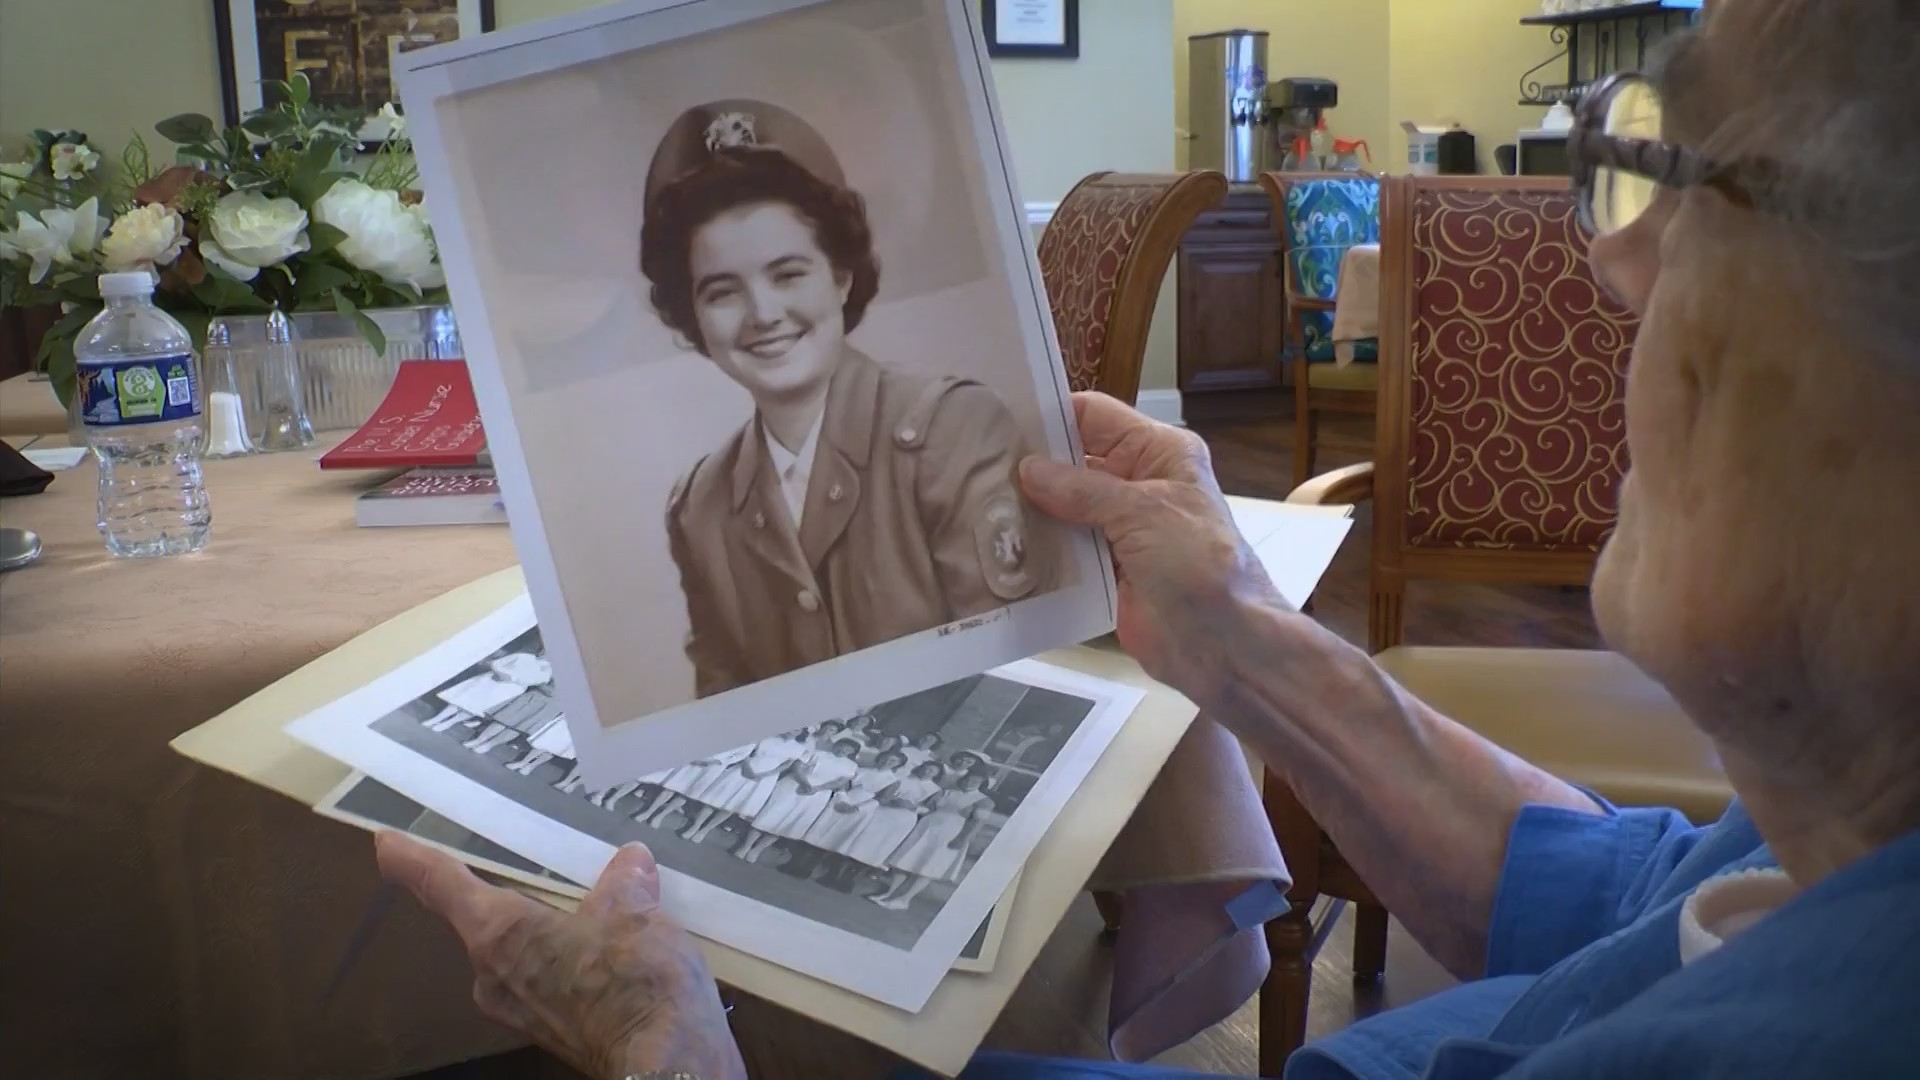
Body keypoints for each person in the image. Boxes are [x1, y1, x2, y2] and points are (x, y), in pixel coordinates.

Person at [373, 7, 1920, 1078]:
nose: (1620, 264)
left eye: (1686, 175)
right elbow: (1616, 898)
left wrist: (663, 1055)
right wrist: (1246, 637)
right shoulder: (1842, 852)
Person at [644, 99, 1059, 701]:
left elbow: (1012, 683)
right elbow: (724, 708)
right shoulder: (699, 507)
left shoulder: (955, 431)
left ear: (841, 277)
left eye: (788, 274)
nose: (763, 315)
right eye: (721, 291)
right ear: (693, 316)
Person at [872, 771, 996, 912]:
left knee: (929, 867)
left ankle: (904, 900)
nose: (969, 783)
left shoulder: (984, 801)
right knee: (905, 861)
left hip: (951, 834)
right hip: (927, 828)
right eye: (967, 779)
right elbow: (928, 807)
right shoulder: (946, 792)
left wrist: (961, 839)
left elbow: (975, 824)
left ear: (982, 785)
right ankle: (888, 893)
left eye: (974, 781)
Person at [736, 737, 862, 867]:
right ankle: (745, 846)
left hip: (817, 795)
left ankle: (757, 850)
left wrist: (817, 788)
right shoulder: (817, 753)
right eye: (841, 746)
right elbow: (797, 767)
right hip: (793, 787)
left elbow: (840, 782)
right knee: (770, 816)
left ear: (851, 753)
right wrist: (805, 783)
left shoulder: (851, 766)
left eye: (847, 750)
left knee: (787, 823)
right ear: (836, 744)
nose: (842, 751)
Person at [804, 748, 912, 893]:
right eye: (886, 758)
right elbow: (843, 784)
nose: (887, 762)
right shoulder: (861, 770)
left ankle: (831, 875)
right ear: (880, 757)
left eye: (893, 761)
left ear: (897, 765)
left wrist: (858, 809)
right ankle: (805, 868)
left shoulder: (892, 780)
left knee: (843, 840)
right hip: (844, 800)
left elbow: (882, 798)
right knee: (824, 832)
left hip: (863, 808)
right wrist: (842, 799)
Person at [681, 729, 811, 845]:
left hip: (764, 777)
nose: (793, 730)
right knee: (717, 800)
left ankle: (705, 830)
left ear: (802, 732)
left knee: (732, 807)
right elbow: (747, 753)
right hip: (744, 770)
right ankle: (695, 826)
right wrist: (748, 768)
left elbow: (786, 766)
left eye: (798, 729)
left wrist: (766, 774)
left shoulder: (798, 748)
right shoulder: (767, 737)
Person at [419, 651, 551, 734]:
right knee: (462, 699)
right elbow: (496, 663)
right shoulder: (523, 656)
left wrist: (513, 678)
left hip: (509, 690)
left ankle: (448, 723)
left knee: (476, 708)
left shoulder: (547, 673)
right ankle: (437, 719)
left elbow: (534, 681)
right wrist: (500, 672)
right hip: (491, 680)